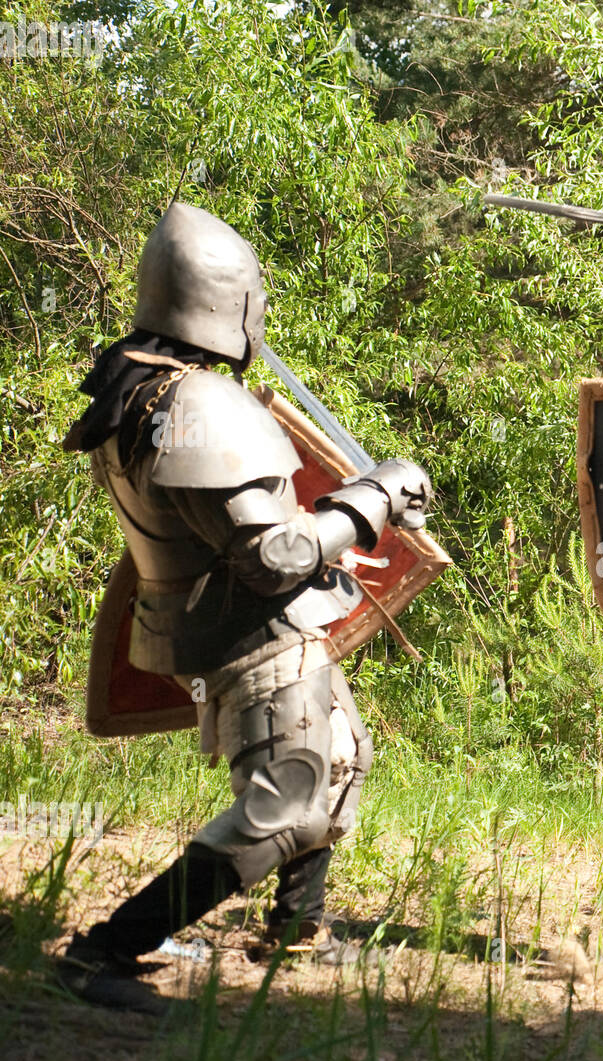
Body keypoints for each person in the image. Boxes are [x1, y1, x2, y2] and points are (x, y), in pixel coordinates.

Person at [58, 202, 432, 1012]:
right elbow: (275, 556)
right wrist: (377, 494)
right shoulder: (200, 404)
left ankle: (298, 926)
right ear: (229, 303)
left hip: (251, 624)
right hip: (252, 633)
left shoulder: (134, 384)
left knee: (339, 756)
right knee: (285, 802)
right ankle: (105, 950)